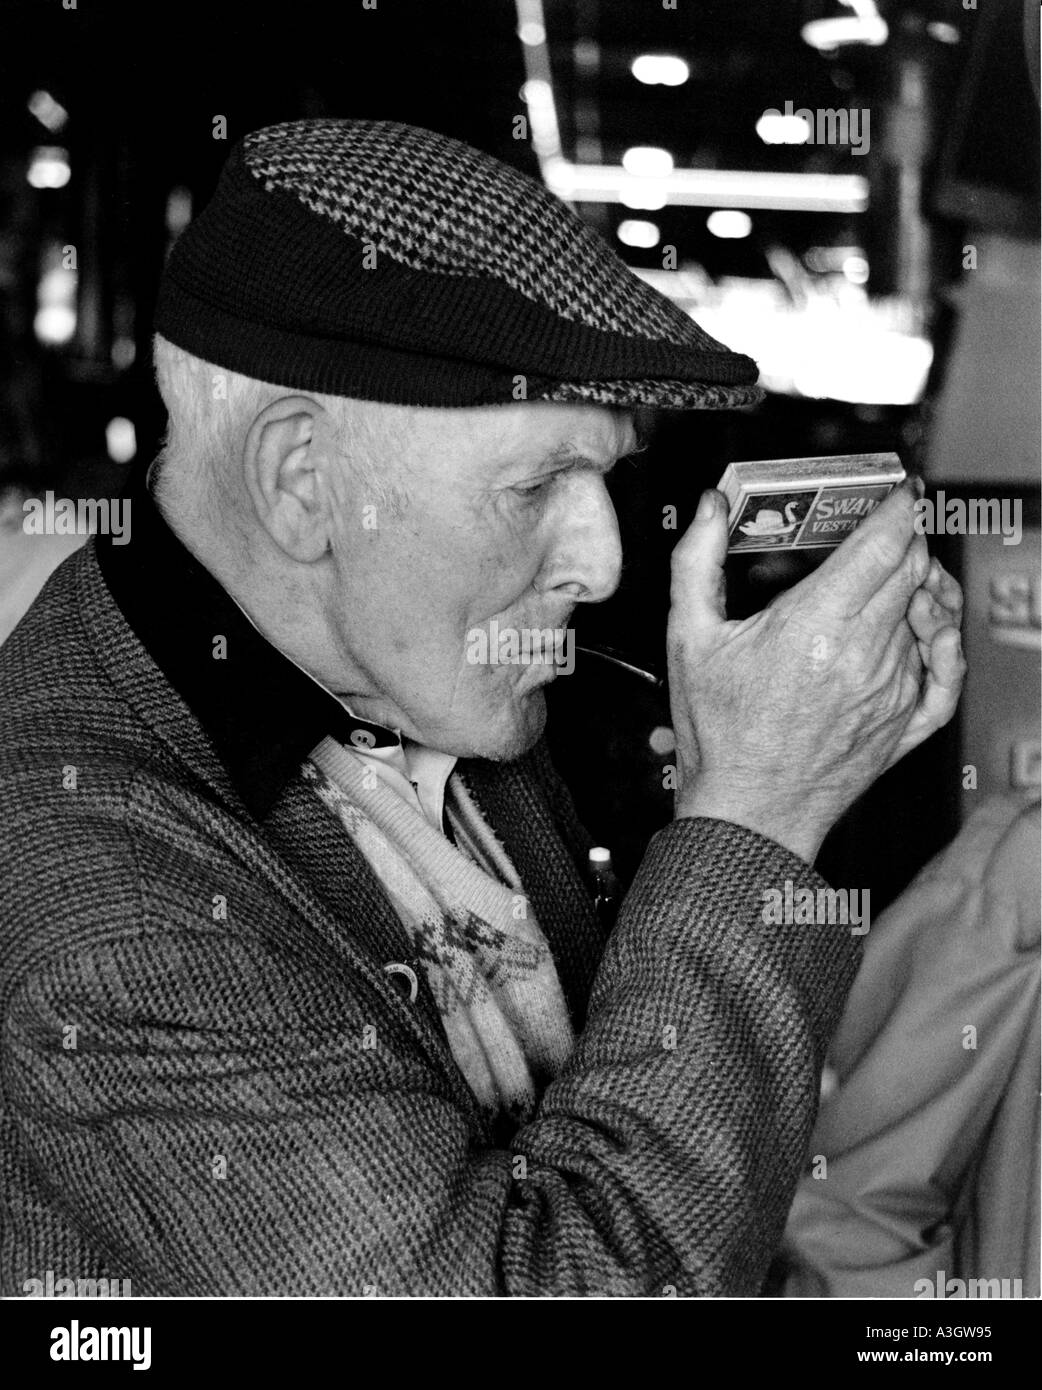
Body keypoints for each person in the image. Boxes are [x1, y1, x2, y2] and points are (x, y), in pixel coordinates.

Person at [0, 119, 964, 1297]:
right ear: (303, 481)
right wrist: (760, 814)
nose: (602, 561)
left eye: (602, 474)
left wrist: (778, 777)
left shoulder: (420, 675)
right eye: (537, 483)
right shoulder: (94, 900)